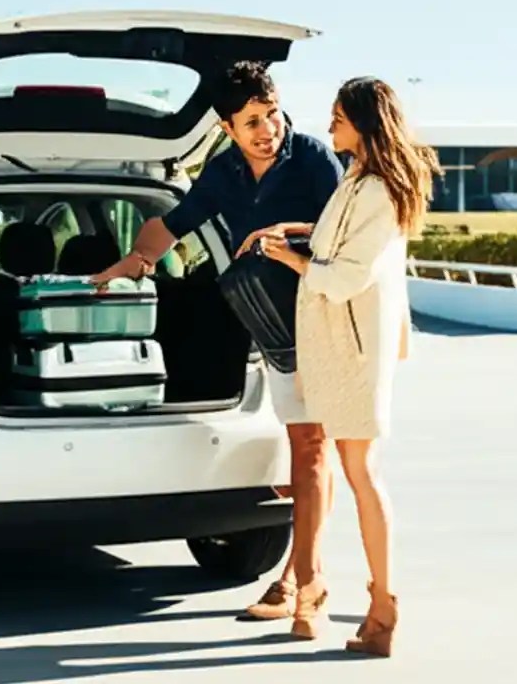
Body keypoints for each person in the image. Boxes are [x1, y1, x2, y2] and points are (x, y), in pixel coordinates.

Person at [90, 61, 343, 621]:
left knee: (313, 446)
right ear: (226, 128)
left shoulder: (312, 158)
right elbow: (173, 223)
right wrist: (129, 262)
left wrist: (288, 236)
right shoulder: (223, 172)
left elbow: (340, 235)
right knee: (307, 446)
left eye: (271, 114)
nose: (267, 129)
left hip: (323, 320)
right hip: (272, 327)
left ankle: (302, 579)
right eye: (251, 120)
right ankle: (308, 578)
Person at [256, 76, 437, 655]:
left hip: (356, 354)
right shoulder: (358, 179)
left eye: (338, 116)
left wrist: (290, 258)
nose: (329, 124)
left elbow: (344, 274)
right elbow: (341, 241)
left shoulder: (381, 190)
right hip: (339, 351)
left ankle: (383, 606)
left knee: (361, 476)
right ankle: (361, 600)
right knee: (356, 473)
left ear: (364, 121)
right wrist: (300, 232)